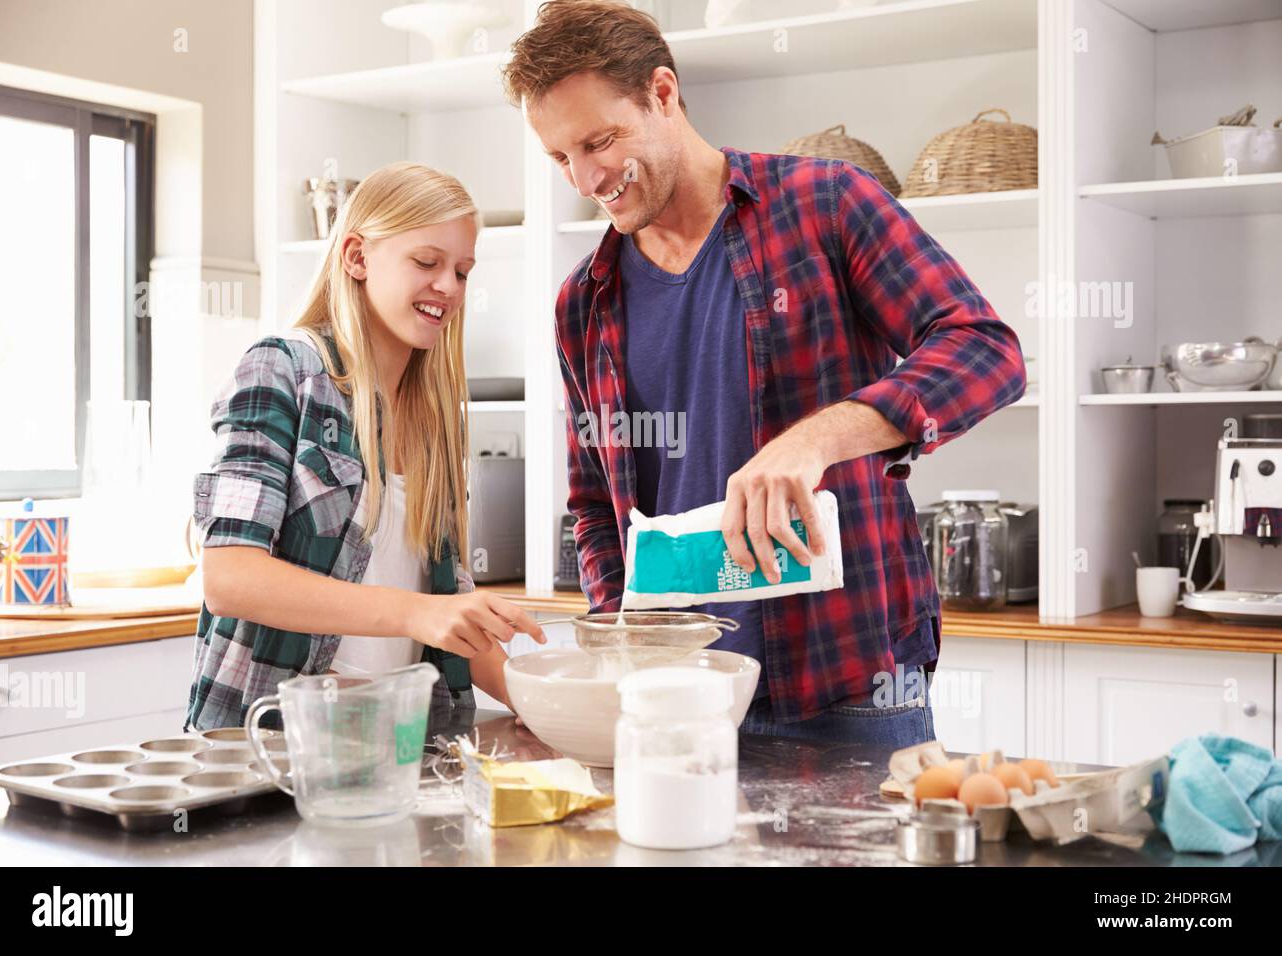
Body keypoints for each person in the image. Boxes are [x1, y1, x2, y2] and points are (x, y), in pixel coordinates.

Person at [502, 1, 1026, 747]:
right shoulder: (582, 303)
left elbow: (985, 349)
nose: (586, 178)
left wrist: (816, 440)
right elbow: (593, 508)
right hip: (675, 699)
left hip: (848, 682)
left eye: (600, 140)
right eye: (560, 157)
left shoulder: (825, 204)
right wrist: (619, 649)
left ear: (662, 94)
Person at [185, 161, 545, 732]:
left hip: (400, 752)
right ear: (356, 256)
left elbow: (448, 615)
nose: (448, 287)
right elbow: (230, 578)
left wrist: (556, 703)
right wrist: (419, 614)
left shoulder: (435, 416)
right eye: (426, 262)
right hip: (271, 752)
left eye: (462, 270)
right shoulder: (282, 370)